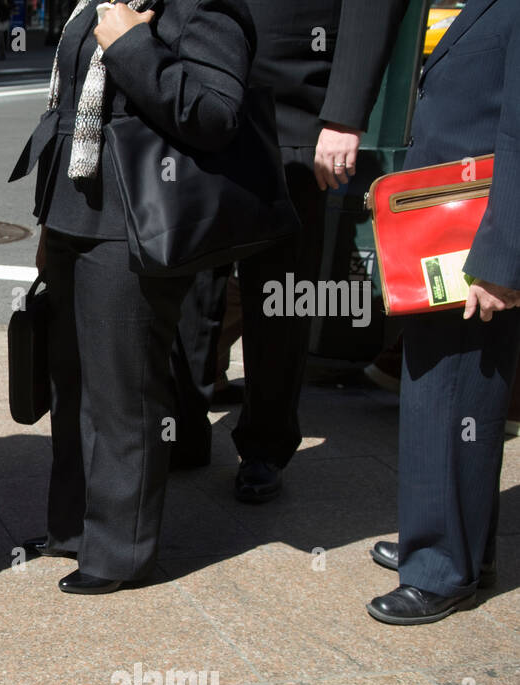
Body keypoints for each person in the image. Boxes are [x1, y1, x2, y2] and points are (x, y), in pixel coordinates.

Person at [11, 0, 253, 595]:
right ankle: (72, 527)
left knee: (123, 391)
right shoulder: (97, 1)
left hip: (134, 221)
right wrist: (49, 225)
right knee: (70, 385)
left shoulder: (202, 8)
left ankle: (120, 550)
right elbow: (68, 113)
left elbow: (217, 114)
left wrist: (132, 48)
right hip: (74, 214)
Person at [173, 0, 407, 496]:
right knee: (188, 280)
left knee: (280, 293)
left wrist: (344, 114)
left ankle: (265, 445)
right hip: (192, 86)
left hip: (294, 102)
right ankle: (182, 429)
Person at [367, 0, 520, 625]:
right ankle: (458, 545)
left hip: (478, 232)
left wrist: (503, 255)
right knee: (448, 391)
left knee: (450, 391)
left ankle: (440, 569)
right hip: (450, 225)